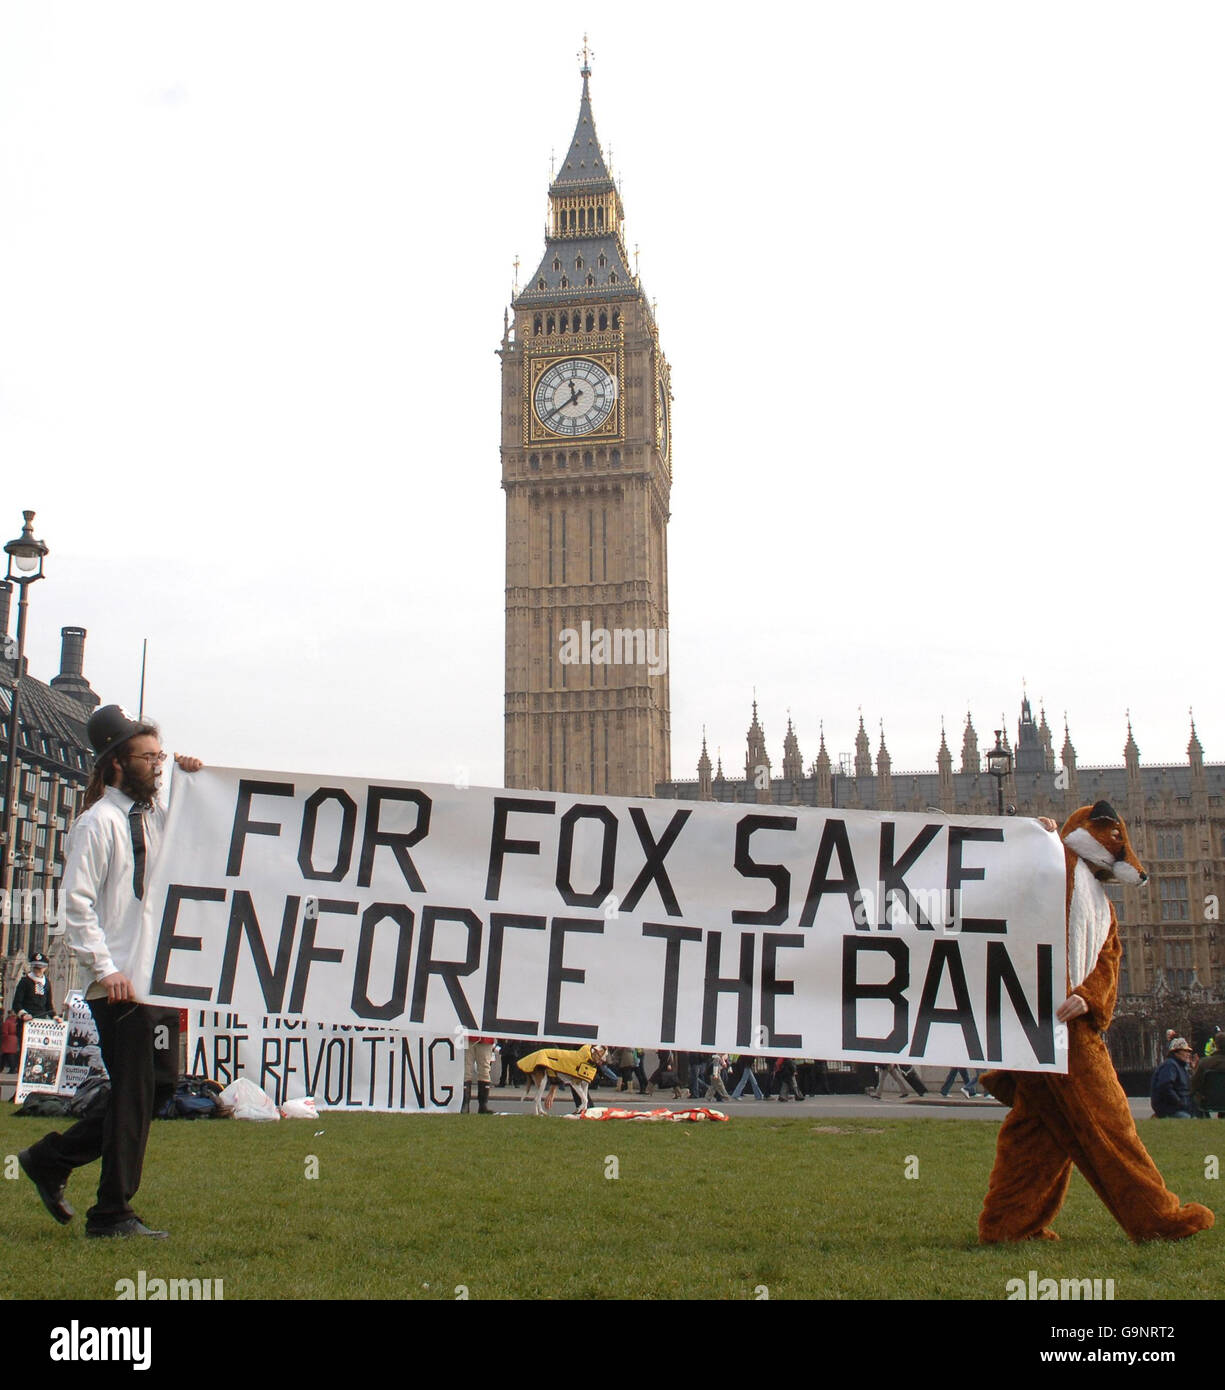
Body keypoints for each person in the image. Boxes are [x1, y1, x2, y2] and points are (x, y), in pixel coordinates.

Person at [17, 705, 202, 1238]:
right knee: (134, 1093)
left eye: (160, 755)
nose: (158, 764)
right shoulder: (96, 823)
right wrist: (105, 968)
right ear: (118, 763)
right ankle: (112, 1212)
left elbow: (198, 840)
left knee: (157, 1087)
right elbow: (76, 905)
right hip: (119, 984)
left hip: (154, 977)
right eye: (149, 757)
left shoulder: (155, 816)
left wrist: (194, 781)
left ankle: (51, 1158)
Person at [1151, 1037, 1195, 1119]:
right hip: (1171, 1109)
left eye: (1189, 1051)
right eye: (1185, 1051)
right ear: (1176, 1052)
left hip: (1181, 1108)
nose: (1188, 1054)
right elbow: (1165, 1087)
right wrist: (1179, 1102)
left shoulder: (1181, 1067)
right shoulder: (1170, 1065)